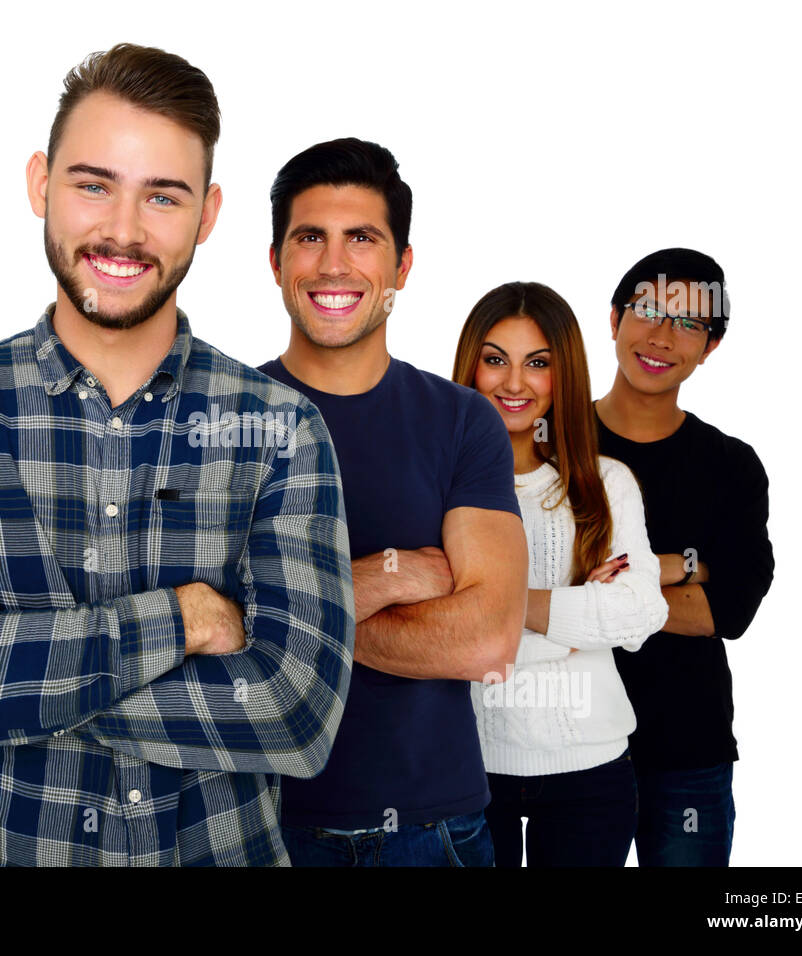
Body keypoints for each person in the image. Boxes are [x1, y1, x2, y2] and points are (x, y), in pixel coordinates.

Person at [0, 43, 356, 867]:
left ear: (209, 213)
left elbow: (296, 714)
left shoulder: (281, 428)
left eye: (162, 195)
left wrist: (8, 681)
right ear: (39, 184)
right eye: (93, 185)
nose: (123, 231)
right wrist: (181, 619)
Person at [256, 138, 527, 866]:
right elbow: (197, 632)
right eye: (310, 237)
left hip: (434, 832)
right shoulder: (216, 418)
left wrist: (284, 621)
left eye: (362, 239)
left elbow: (489, 638)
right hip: (258, 828)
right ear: (276, 260)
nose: (334, 265)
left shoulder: (463, 419)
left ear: (401, 265)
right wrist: (387, 577)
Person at [454, 281, 668, 866]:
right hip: (467, 768)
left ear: (564, 373)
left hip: (590, 772)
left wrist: (486, 600)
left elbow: (640, 614)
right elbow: (428, 622)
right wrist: (573, 618)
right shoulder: (438, 485)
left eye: (538, 363)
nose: (514, 383)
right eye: (495, 359)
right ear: (470, 365)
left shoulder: (607, 482)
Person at [594, 248, 774, 866]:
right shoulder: (552, 441)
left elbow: (730, 608)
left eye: (689, 324)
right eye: (646, 310)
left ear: (710, 348)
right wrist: (680, 566)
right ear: (614, 319)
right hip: (561, 750)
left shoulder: (731, 466)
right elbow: (518, 583)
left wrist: (599, 592)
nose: (662, 336)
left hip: (687, 750)